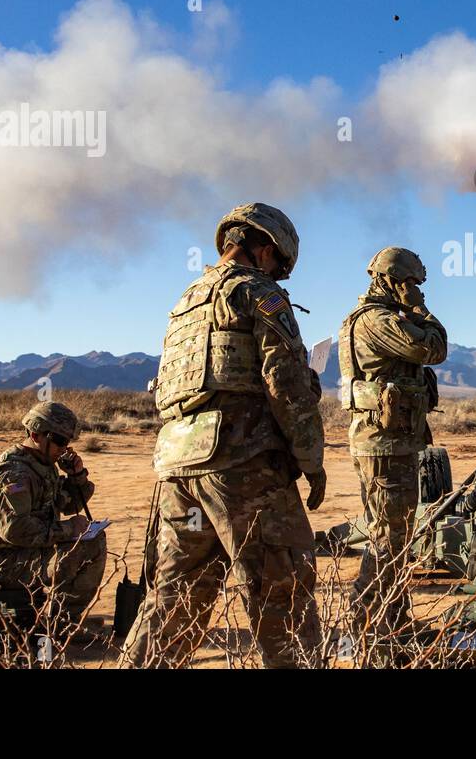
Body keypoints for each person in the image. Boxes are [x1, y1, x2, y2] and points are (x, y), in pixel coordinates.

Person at [122, 203, 325, 668]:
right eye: (280, 266)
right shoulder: (259, 293)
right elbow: (286, 383)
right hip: (242, 465)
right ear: (267, 249)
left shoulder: (185, 301)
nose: (279, 275)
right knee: (284, 593)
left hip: (177, 468)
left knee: (175, 598)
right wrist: (311, 461)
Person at [339, 247, 447, 627]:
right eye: (413, 284)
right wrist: (420, 311)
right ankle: (372, 624)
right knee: (389, 540)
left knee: (391, 536)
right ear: (396, 280)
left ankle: (391, 620)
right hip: (385, 445)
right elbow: (433, 348)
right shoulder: (378, 321)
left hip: (383, 442)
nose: (417, 290)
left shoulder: (370, 318)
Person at [0, 401, 105, 623]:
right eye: (60, 441)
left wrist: (77, 476)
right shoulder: (14, 474)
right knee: (88, 547)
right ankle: (62, 624)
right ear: (36, 436)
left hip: (17, 553)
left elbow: (70, 505)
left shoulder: (41, 465)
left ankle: (61, 618)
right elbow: (14, 529)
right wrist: (68, 528)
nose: (65, 449)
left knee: (91, 540)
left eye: (67, 443)